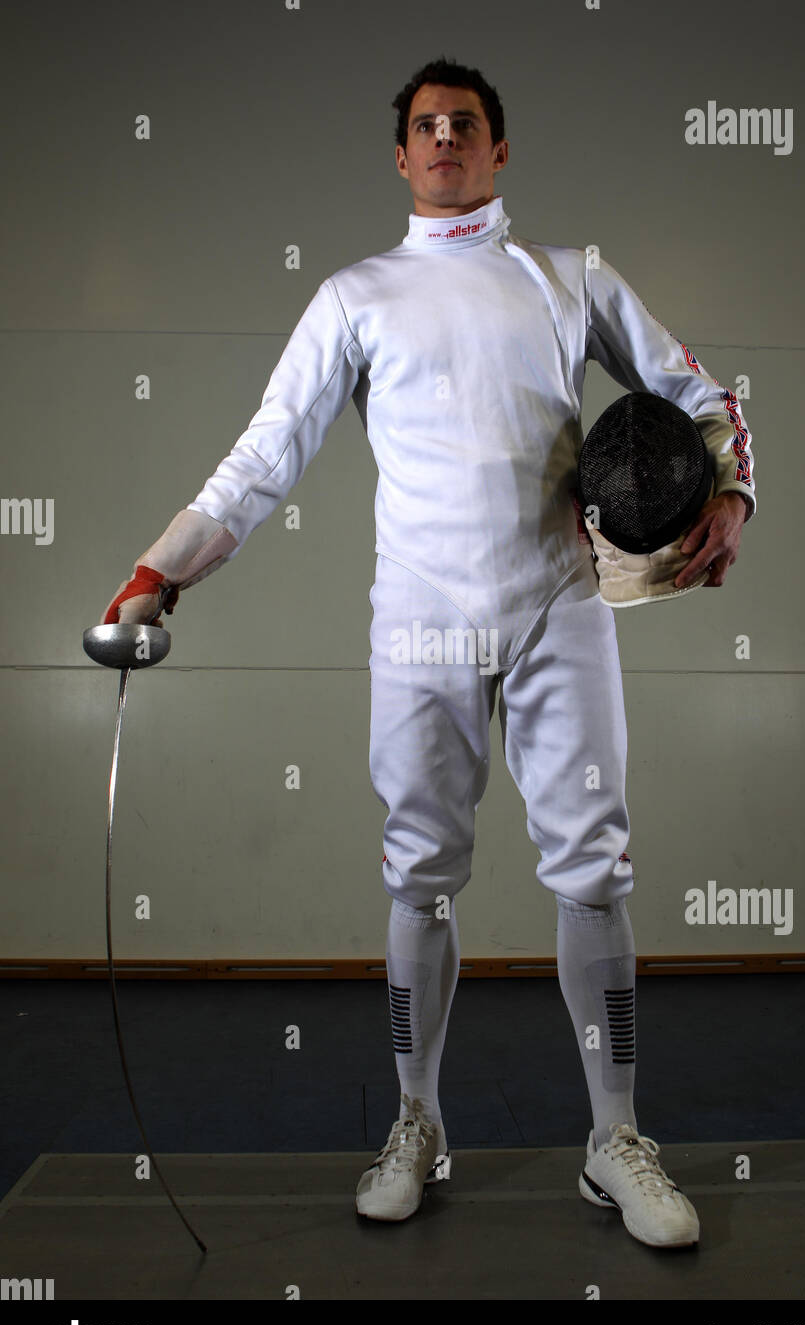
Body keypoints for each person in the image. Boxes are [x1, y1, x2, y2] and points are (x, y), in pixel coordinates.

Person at [102, 56, 755, 1250]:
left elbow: (702, 394)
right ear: (401, 157)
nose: (445, 136)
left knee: (595, 870)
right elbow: (264, 453)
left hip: (563, 606)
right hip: (418, 618)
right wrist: (159, 570)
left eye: (466, 123)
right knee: (419, 873)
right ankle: (417, 1121)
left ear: (499, 151)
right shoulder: (357, 296)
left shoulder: (571, 278)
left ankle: (614, 1138)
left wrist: (732, 494)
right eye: (424, 125)